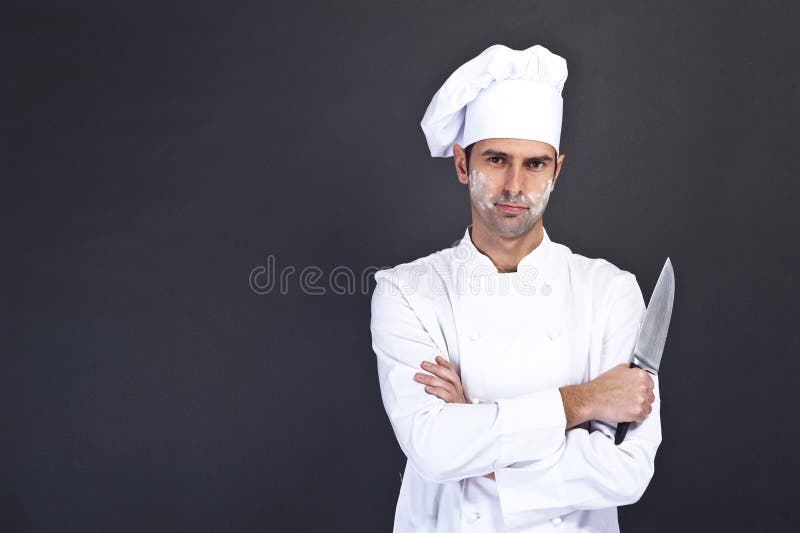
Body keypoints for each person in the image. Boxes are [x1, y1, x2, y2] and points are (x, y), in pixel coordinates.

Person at [369, 44, 661, 532]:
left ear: (557, 171)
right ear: (462, 165)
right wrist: (583, 402)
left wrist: (472, 427)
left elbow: (624, 472)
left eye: (535, 164)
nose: (513, 186)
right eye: (496, 159)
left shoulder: (610, 291)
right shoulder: (407, 291)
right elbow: (434, 449)